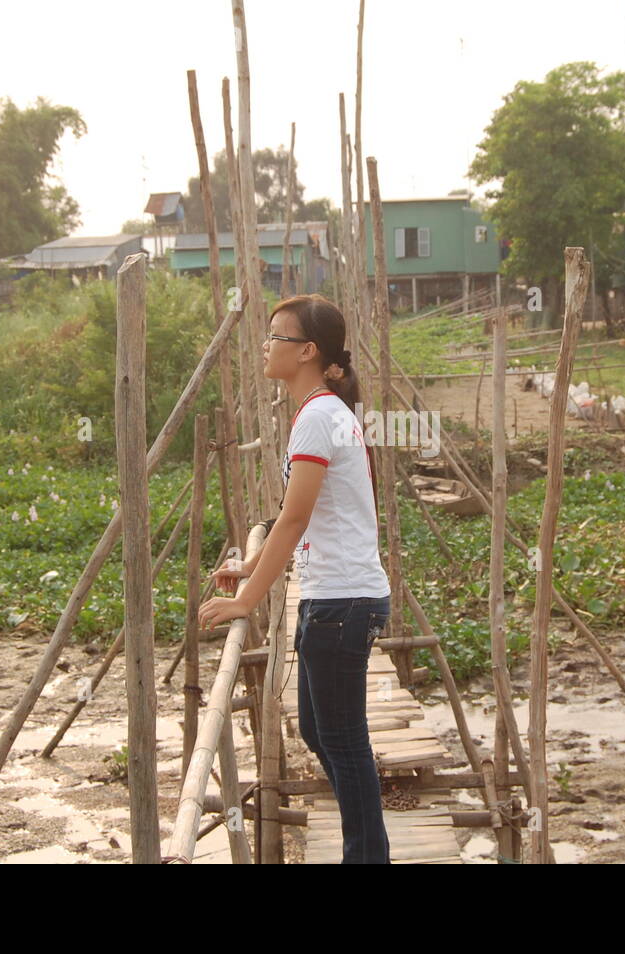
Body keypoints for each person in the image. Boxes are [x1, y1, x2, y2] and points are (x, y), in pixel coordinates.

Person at [198, 293, 392, 864]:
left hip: (341, 601)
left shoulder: (316, 417)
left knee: (345, 743)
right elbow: (301, 517)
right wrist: (249, 565)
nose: (265, 345)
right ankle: (368, 842)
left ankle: (366, 854)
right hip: (335, 597)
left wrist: (247, 601)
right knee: (318, 729)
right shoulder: (325, 413)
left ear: (307, 351)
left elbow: (295, 516)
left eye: (276, 337)